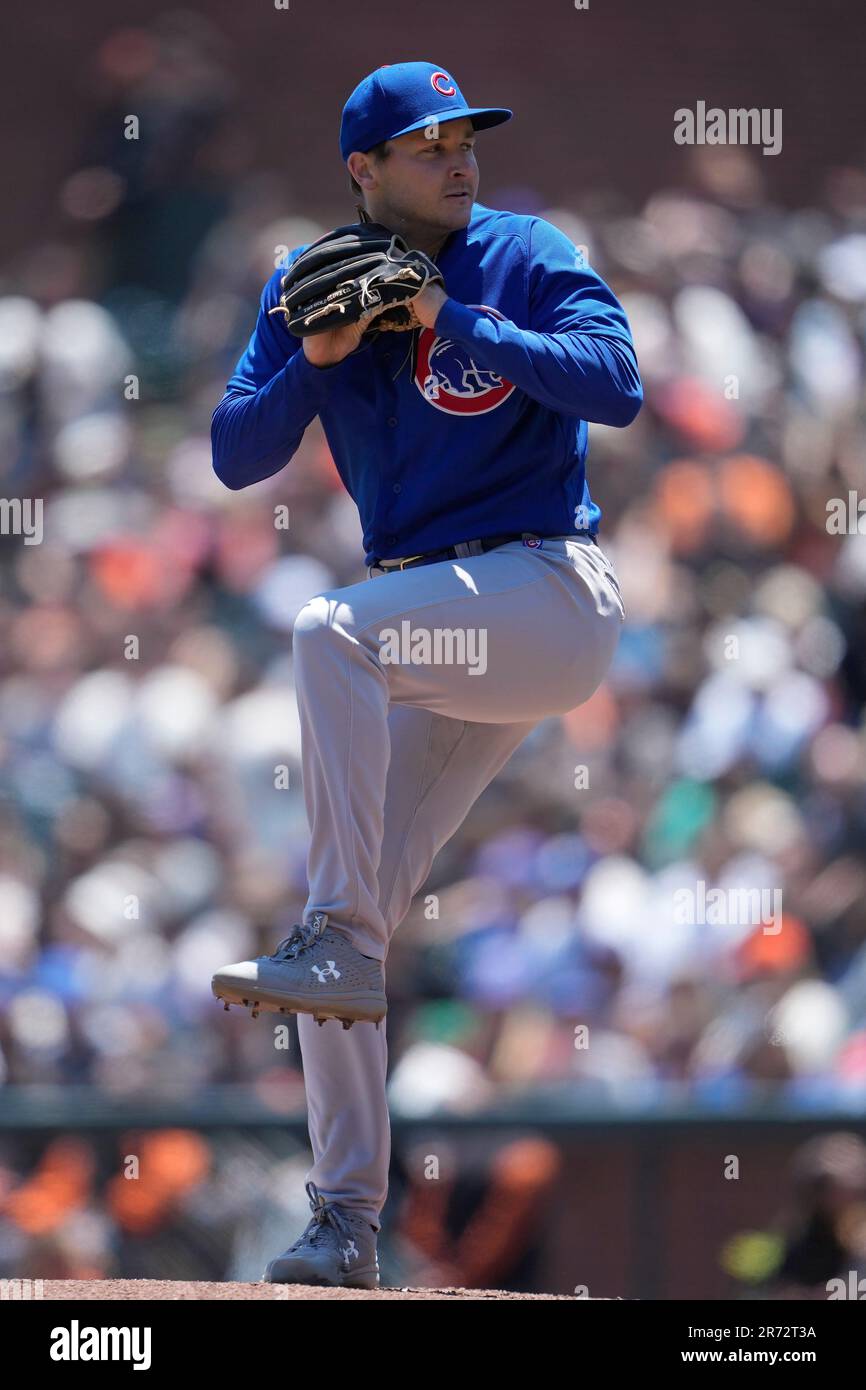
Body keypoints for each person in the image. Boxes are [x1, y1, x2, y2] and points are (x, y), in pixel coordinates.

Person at [210, 60, 642, 1289]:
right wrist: (317, 351)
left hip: (548, 594)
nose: (459, 160)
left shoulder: (519, 247)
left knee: (323, 631)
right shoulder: (308, 277)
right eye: (427, 144)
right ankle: (346, 1222)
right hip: (433, 619)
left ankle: (334, 943)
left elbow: (615, 383)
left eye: (465, 139)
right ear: (363, 167)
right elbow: (237, 453)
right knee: (343, 932)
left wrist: (451, 319)